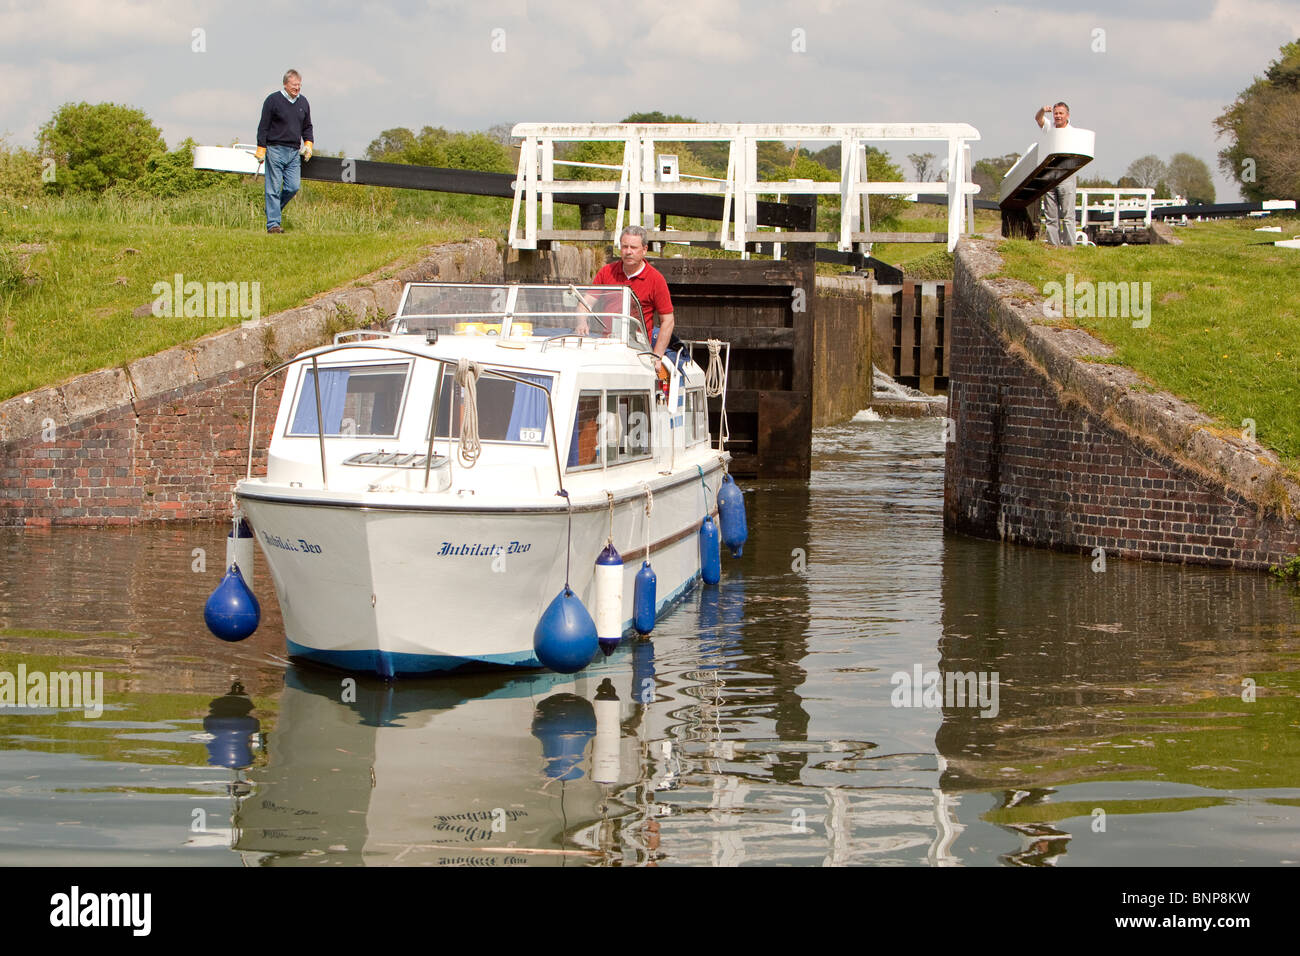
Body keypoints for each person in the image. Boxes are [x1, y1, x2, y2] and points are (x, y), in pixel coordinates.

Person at [582, 225, 676, 367]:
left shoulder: (656, 279)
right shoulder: (607, 272)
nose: (628, 252)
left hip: (638, 351)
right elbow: (585, 303)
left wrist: (656, 357)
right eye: (625, 247)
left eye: (633, 247)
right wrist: (581, 322)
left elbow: (668, 321)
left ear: (644, 250)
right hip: (607, 345)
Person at [255, 70, 314, 234]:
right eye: (294, 85)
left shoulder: (303, 103)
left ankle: (272, 210)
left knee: (293, 187)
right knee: (272, 188)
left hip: (294, 152)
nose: (297, 88)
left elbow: (307, 126)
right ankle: (273, 224)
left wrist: (308, 143)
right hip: (275, 149)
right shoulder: (273, 100)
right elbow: (263, 126)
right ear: (285, 84)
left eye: (299, 85)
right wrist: (261, 147)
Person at [1035, 101, 1076, 247]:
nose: (1058, 116)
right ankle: (1054, 245)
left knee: (1068, 215)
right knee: (1051, 215)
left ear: (1067, 115)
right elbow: (1038, 119)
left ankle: (1071, 246)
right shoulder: (1049, 127)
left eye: (1061, 113)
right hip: (1049, 175)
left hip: (1066, 176)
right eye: (1056, 113)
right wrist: (1042, 109)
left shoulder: (1073, 132)